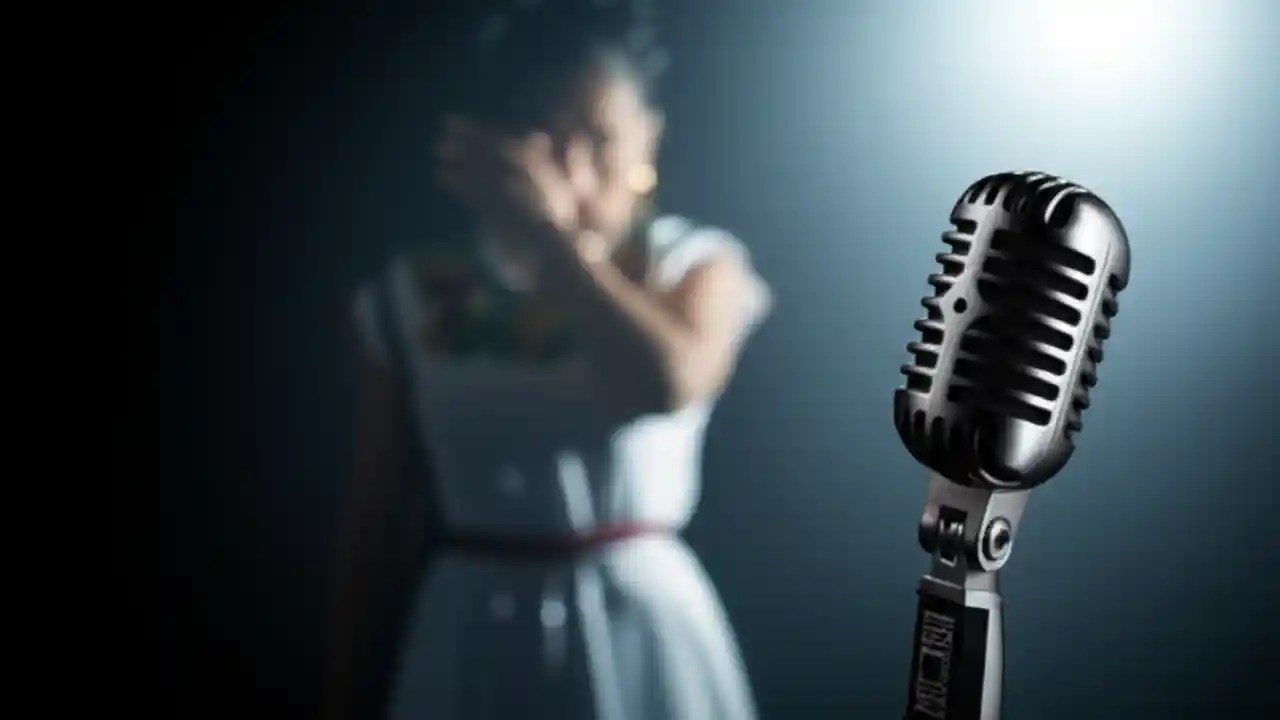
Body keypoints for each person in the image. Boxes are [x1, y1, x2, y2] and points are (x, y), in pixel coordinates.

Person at [326, 1, 772, 718]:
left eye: (598, 139)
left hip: (644, 633)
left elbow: (669, 382)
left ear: (647, 142)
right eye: (548, 137)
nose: (576, 169)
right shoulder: (410, 297)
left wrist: (552, 241)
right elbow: (376, 517)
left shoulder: (695, 266)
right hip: (473, 628)